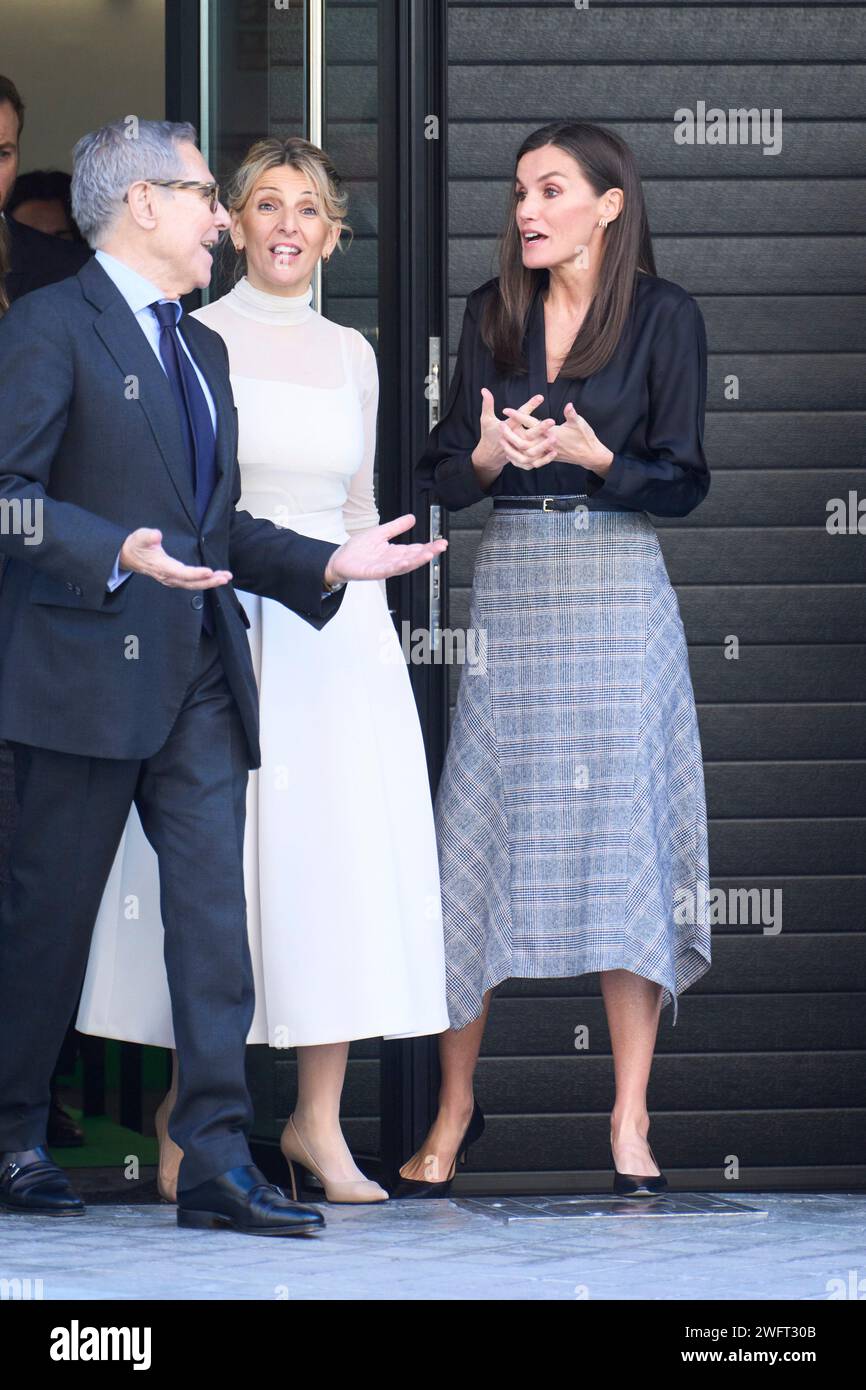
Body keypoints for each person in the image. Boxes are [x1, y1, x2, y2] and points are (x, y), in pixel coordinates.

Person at [0, 117, 445, 1235]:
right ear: (142, 204)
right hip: (83, 675)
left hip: (203, 669)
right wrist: (108, 547)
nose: (224, 215)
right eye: (207, 194)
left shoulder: (198, 350)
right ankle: (11, 1136)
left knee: (211, 920)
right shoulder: (52, 326)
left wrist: (328, 561)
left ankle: (211, 1158)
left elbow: (219, 522)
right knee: (44, 921)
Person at [394, 120, 711, 1199]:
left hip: (619, 590)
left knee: (624, 834)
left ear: (607, 205)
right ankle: (453, 1104)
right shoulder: (493, 313)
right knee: (477, 830)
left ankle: (628, 1115)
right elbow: (438, 470)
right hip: (519, 586)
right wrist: (487, 453)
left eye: (550, 189)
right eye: (519, 190)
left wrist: (598, 459)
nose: (525, 209)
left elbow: (682, 481)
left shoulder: (666, 316)